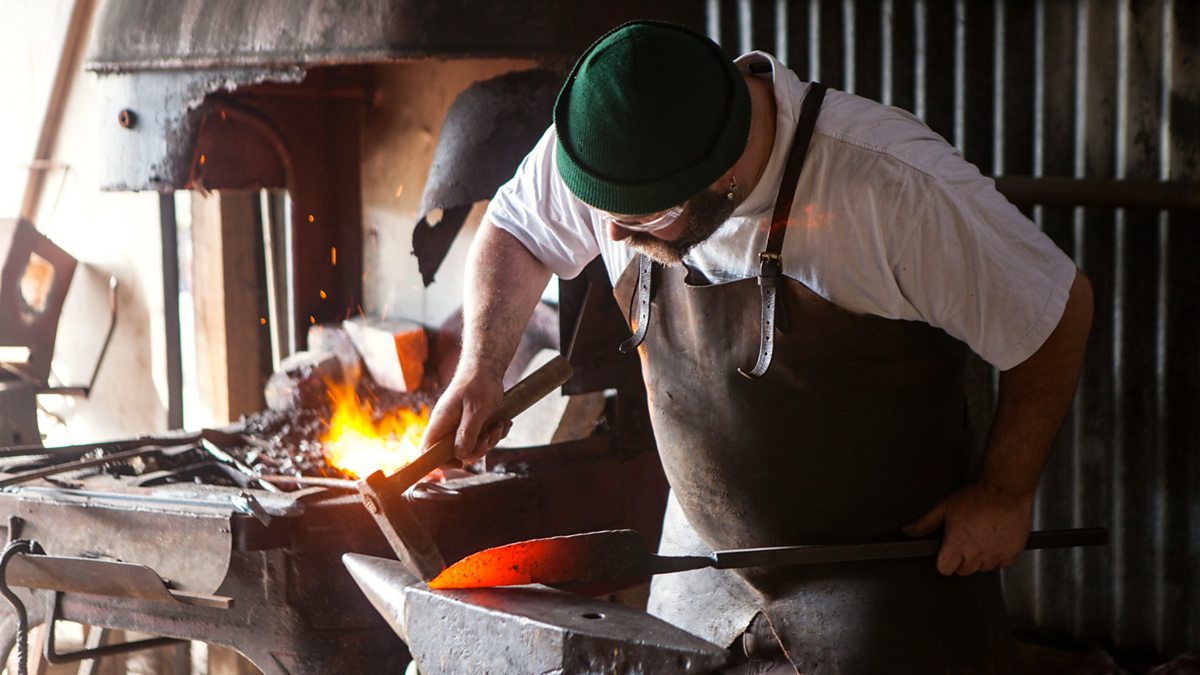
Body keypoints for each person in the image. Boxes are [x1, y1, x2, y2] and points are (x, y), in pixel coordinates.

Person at [421, 20, 1093, 673]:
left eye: (641, 222)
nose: (616, 240)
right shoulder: (618, 147)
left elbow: (1057, 310)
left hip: (882, 567)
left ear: (726, 174)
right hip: (702, 556)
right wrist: (480, 367)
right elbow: (515, 230)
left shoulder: (891, 187)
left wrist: (1005, 492)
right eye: (608, 217)